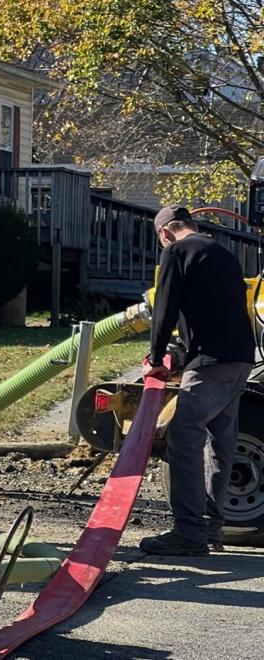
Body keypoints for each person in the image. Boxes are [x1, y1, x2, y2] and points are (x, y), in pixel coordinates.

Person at [139, 205, 255, 556]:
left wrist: (156, 359)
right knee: (221, 442)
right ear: (192, 224)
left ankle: (189, 533)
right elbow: (221, 309)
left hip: (211, 362)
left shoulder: (176, 252)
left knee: (183, 434)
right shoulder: (224, 253)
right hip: (240, 359)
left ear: (164, 233)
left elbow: (166, 308)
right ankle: (213, 530)